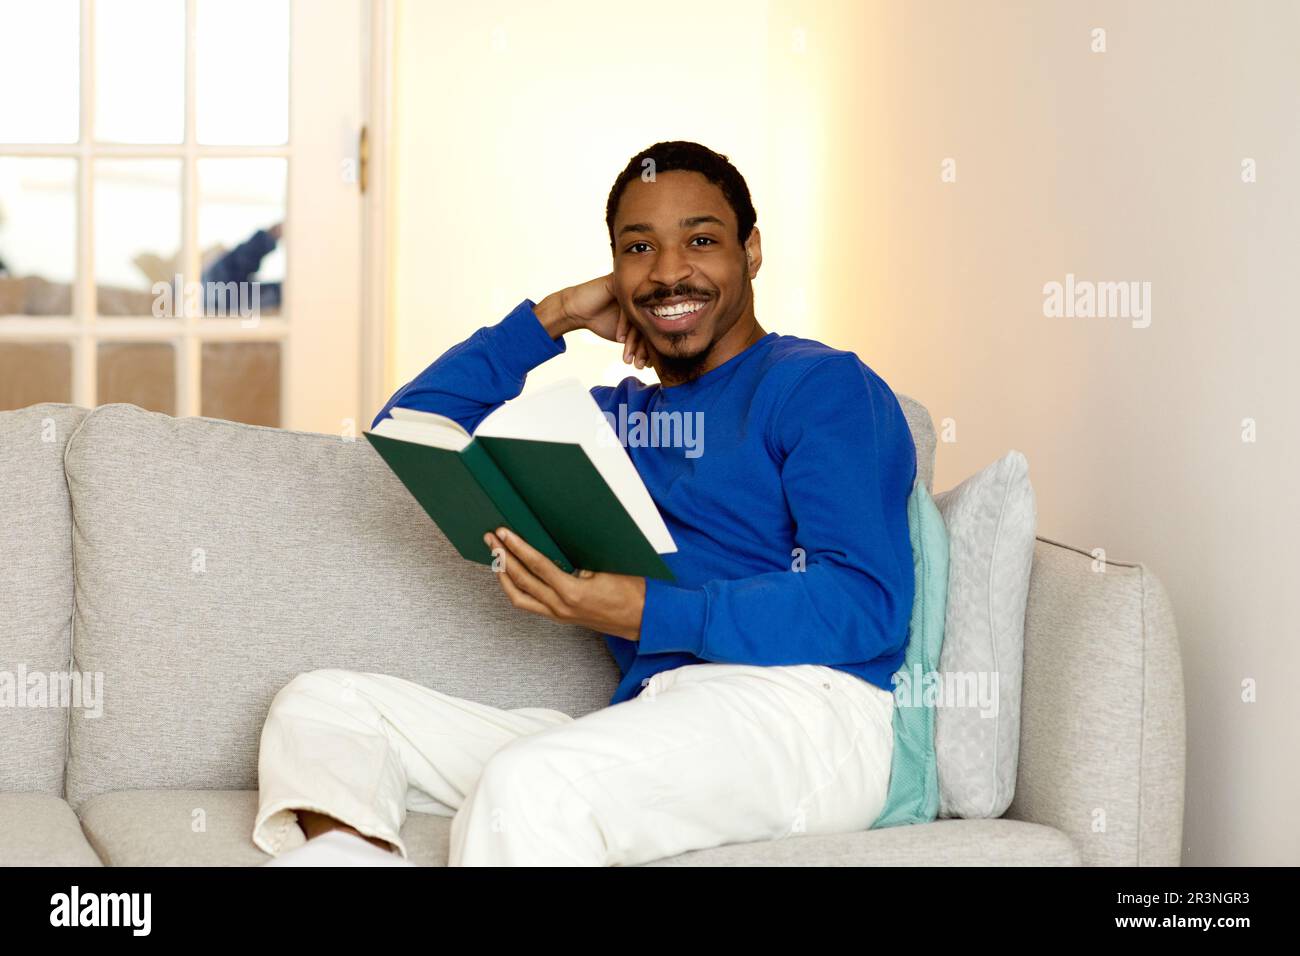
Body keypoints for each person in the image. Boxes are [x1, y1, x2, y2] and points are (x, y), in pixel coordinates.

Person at [253, 140, 917, 867]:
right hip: (660, 712)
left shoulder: (821, 385)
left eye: (701, 240)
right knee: (323, 710)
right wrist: (554, 316)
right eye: (639, 249)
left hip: (812, 711)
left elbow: (865, 602)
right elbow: (407, 433)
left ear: (751, 252)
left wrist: (641, 610)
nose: (668, 271)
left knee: (528, 786)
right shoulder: (612, 421)